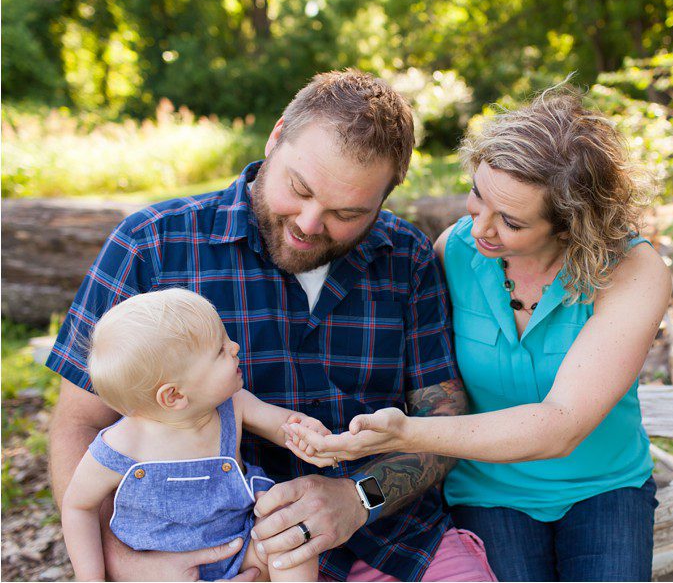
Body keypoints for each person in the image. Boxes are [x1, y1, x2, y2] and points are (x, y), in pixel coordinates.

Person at [46, 69, 496, 582]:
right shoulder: (150, 245)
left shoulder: (408, 257)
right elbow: (81, 423)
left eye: (346, 212)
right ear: (277, 135)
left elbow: (442, 417)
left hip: (390, 540)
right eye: (299, 188)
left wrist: (359, 498)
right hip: (210, 552)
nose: (309, 223)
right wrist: (122, 563)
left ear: (385, 197)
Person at [286, 87, 672, 581]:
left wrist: (408, 432)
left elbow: (561, 424)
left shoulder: (632, 271)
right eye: (477, 197)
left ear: (572, 225)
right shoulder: (458, 251)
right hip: (486, 487)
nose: (481, 228)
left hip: (603, 484)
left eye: (510, 221)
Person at [61, 288, 325, 582]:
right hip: (158, 571)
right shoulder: (121, 446)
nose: (235, 346)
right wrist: (91, 577)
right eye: (220, 350)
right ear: (174, 395)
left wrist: (307, 433)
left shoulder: (233, 405)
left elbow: (280, 424)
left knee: (292, 540)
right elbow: (78, 506)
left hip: (240, 551)